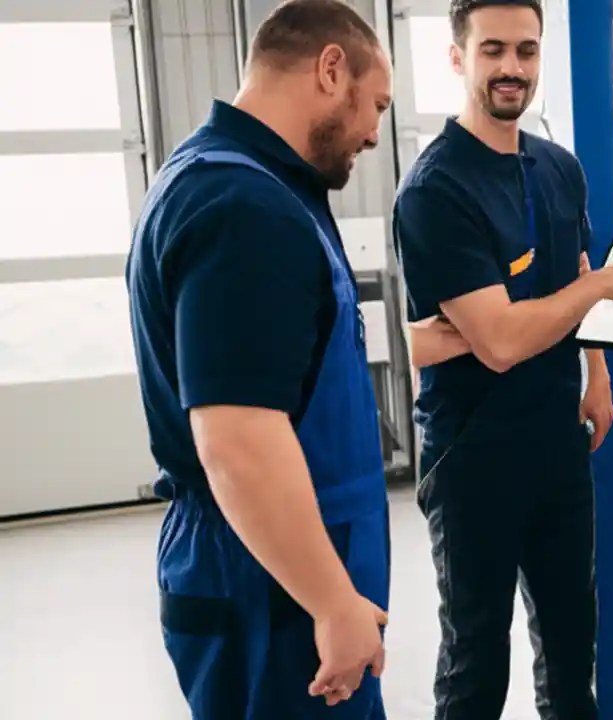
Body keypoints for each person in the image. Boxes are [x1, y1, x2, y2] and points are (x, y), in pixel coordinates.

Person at [124, 1, 395, 717]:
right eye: (375, 105)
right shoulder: (243, 207)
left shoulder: (251, 187)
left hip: (281, 570)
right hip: (266, 587)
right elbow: (239, 442)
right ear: (330, 69)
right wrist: (332, 601)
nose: (374, 132)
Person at [391, 1, 613, 717]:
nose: (513, 67)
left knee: (574, 649)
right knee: (478, 658)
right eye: (494, 50)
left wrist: (597, 376)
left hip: (555, 443)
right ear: (458, 58)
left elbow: (567, 277)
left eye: (527, 51)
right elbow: (504, 341)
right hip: (472, 455)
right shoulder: (435, 191)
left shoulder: (558, 169)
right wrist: (598, 285)